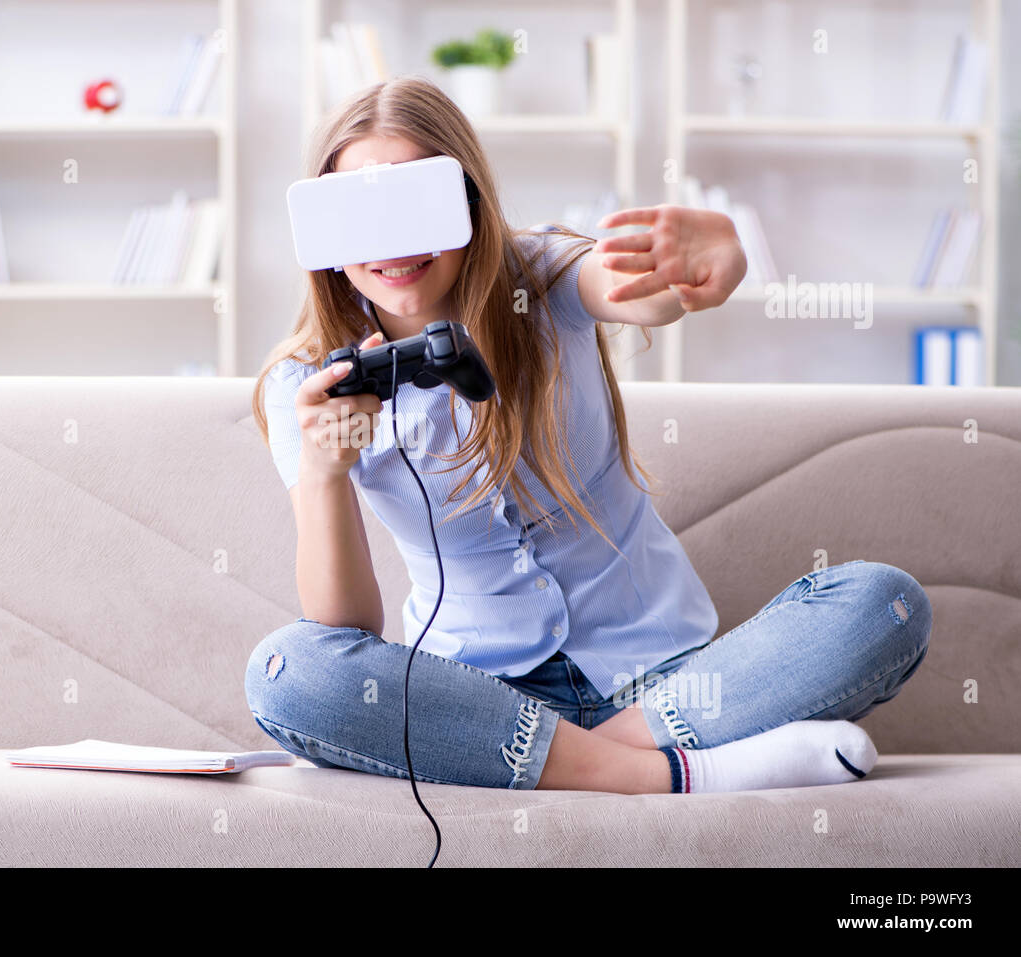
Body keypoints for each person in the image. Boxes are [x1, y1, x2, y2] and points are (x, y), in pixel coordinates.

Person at [244, 76, 931, 794]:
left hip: (662, 682)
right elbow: (344, 630)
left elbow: (637, 289)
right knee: (287, 673)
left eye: (417, 204)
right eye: (364, 214)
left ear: (470, 202)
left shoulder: (537, 276)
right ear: (324, 232)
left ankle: (585, 765)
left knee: (884, 602)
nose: (395, 245)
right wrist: (326, 472)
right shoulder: (307, 383)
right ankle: (682, 774)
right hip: (479, 700)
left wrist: (710, 261)